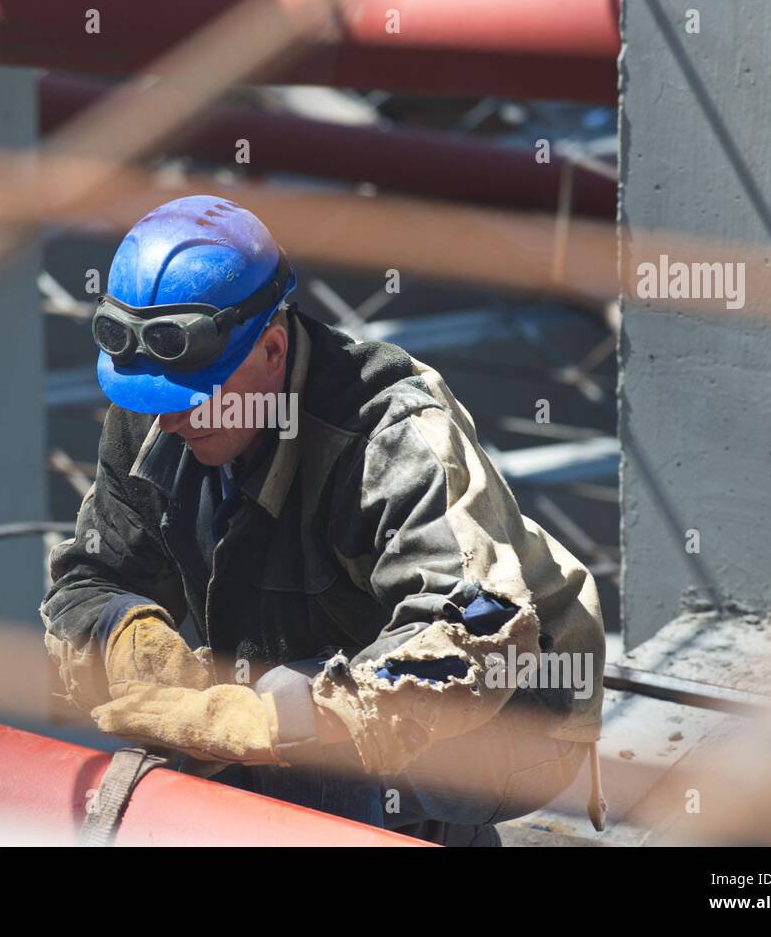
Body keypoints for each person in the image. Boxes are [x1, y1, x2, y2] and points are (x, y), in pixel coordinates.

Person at [41, 195, 606, 845]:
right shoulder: (157, 410)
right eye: (151, 399)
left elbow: (480, 628)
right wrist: (123, 633)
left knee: (305, 775)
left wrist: (307, 715)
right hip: (309, 663)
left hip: (522, 701)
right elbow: (86, 581)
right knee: (196, 760)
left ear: (273, 349)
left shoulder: (388, 433)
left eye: (191, 399)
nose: (168, 420)